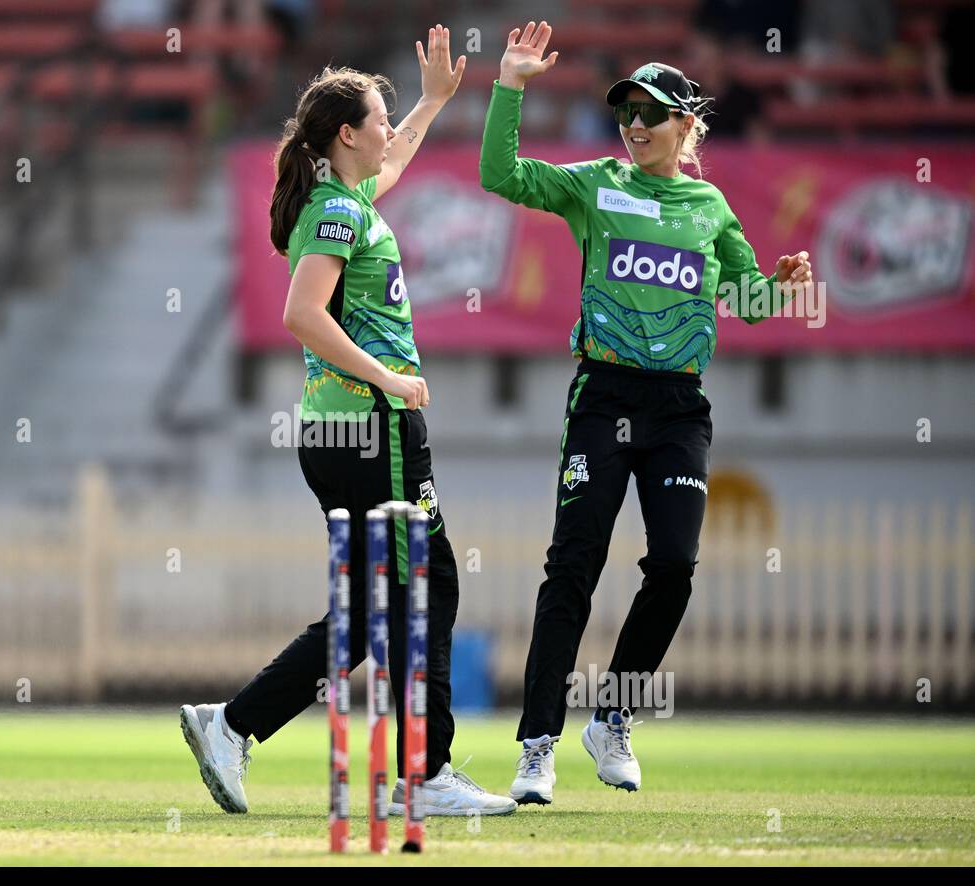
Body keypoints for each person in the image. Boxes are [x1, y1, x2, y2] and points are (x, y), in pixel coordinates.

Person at [182, 26, 516, 818]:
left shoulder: (346, 195)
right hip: (371, 430)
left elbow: (394, 159)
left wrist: (434, 100)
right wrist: (389, 379)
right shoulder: (336, 211)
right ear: (345, 134)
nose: (387, 130)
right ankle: (423, 777)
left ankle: (232, 725)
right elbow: (302, 312)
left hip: (341, 435)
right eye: (379, 116)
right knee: (425, 589)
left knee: (376, 610)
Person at [478, 21, 813, 804]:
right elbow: (501, 174)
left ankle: (613, 720)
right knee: (574, 568)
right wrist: (511, 86)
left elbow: (745, 300)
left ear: (685, 126)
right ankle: (536, 747)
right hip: (603, 396)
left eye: (651, 115)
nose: (634, 127)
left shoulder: (709, 205)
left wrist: (781, 286)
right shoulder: (596, 183)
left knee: (672, 568)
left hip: (677, 410)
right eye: (627, 114)